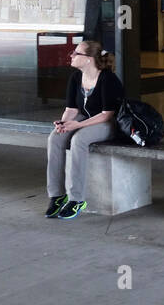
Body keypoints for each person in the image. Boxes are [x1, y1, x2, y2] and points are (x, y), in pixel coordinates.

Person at [45, 40, 124, 219]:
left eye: (76, 53)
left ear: (89, 59)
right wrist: (64, 124)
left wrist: (78, 125)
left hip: (107, 123)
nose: (71, 56)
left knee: (79, 140)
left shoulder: (107, 79)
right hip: (85, 119)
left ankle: (77, 199)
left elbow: (106, 114)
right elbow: (71, 109)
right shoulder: (75, 78)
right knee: (55, 137)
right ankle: (57, 195)